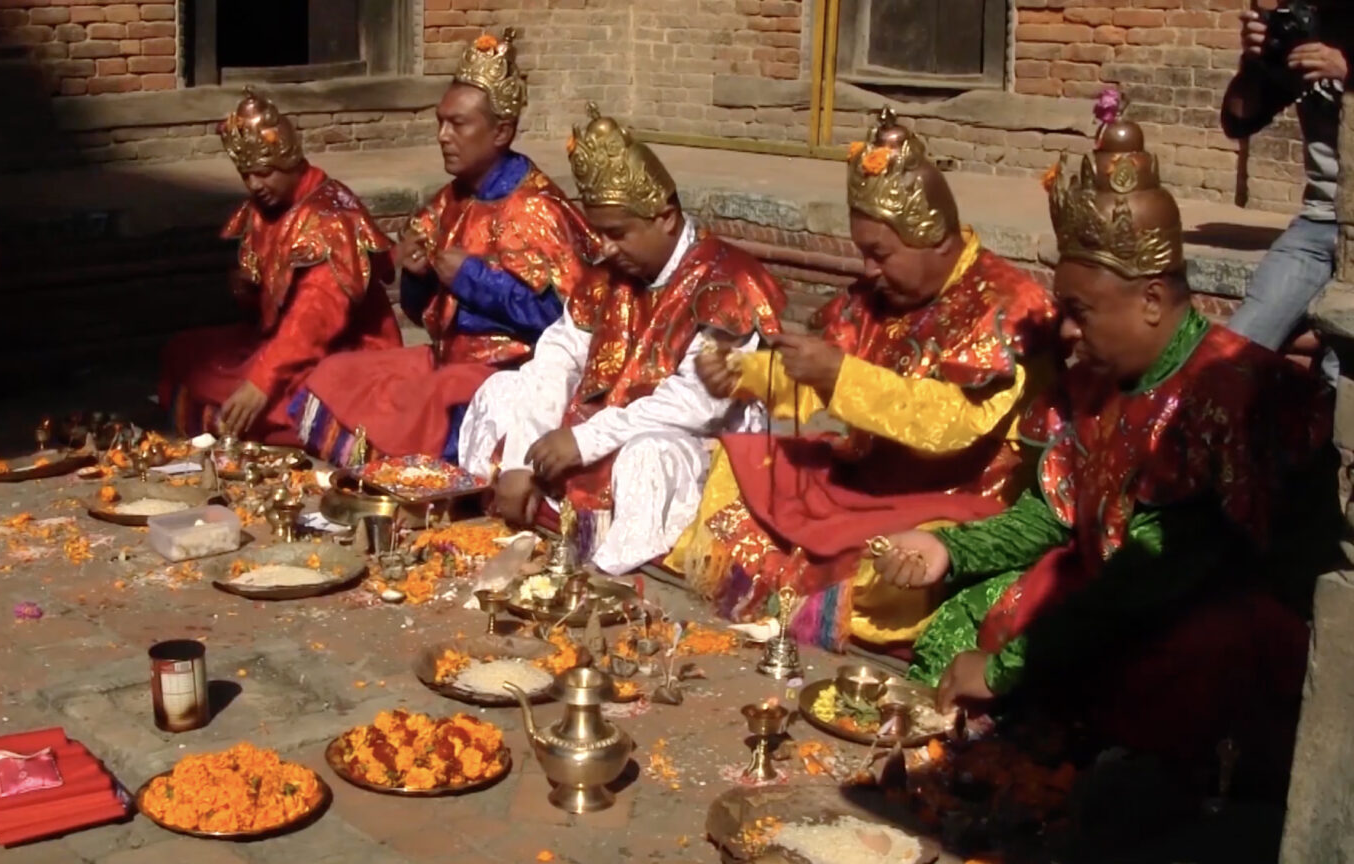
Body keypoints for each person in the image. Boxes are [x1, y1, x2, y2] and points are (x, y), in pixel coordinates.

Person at [876, 112, 1334, 783]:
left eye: (1080, 311)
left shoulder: (1226, 394)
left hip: (1200, 617)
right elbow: (1050, 515)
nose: (1065, 331)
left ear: (1152, 299)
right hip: (1112, 595)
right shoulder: (1093, 380)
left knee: (1187, 662)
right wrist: (950, 548)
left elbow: (1151, 573)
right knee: (977, 606)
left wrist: (1005, 671)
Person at [671, 108, 1060, 655]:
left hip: (952, 493)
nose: (868, 270)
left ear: (934, 238)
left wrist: (841, 376)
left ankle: (807, 603)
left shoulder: (1007, 306)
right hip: (865, 475)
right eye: (863, 252)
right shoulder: (877, 299)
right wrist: (746, 373)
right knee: (738, 466)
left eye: (880, 253)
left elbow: (949, 425)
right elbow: (821, 396)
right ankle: (781, 600)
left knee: (893, 569)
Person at [457, 105, 786, 574]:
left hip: (696, 443)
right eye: (600, 233)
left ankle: (601, 573)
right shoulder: (609, 272)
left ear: (666, 218)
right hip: (600, 423)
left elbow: (695, 405)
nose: (605, 248)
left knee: (649, 455)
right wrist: (518, 463)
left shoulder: (729, 283)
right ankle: (517, 512)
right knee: (501, 391)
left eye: (618, 233)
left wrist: (584, 441)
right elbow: (559, 352)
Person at [290, 30, 595, 465]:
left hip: (509, 373)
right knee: (334, 375)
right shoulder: (446, 203)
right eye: (440, 122)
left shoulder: (537, 209)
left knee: (435, 411)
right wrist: (417, 278)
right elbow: (424, 314)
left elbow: (569, 320)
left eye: (458, 124)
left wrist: (474, 279)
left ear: (501, 131)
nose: (442, 136)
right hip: (445, 359)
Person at [158, 89, 403, 443]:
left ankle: (245, 421)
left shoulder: (329, 217)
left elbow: (314, 317)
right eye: (246, 175)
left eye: (263, 172)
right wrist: (247, 290)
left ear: (288, 161)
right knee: (184, 353)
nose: (255, 185)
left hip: (344, 354)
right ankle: (237, 417)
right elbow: (268, 316)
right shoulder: (265, 210)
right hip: (280, 347)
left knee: (308, 397)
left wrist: (260, 380)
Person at [1222, 3, 1347, 379]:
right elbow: (1239, 119)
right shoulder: (1307, 31)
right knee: (1234, 351)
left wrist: (1347, 70)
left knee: (1339, 374)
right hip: (1319, 223)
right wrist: (1256, 62)